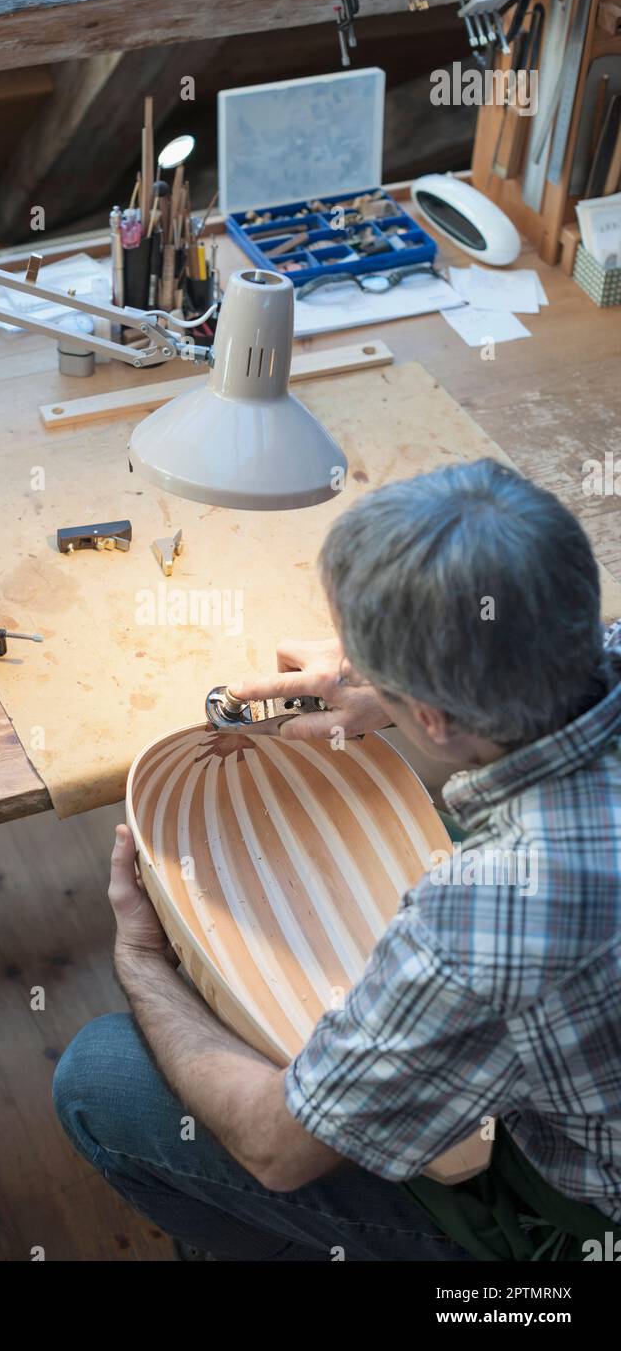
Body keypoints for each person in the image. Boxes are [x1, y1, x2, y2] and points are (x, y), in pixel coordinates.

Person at [53, 459, 621, 1261]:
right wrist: (403, 689)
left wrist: (146, 961)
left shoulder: (491, 917)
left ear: (431, 714)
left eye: (369, 669)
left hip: (590, 1226)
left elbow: (274, 1146)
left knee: (97, 1078)